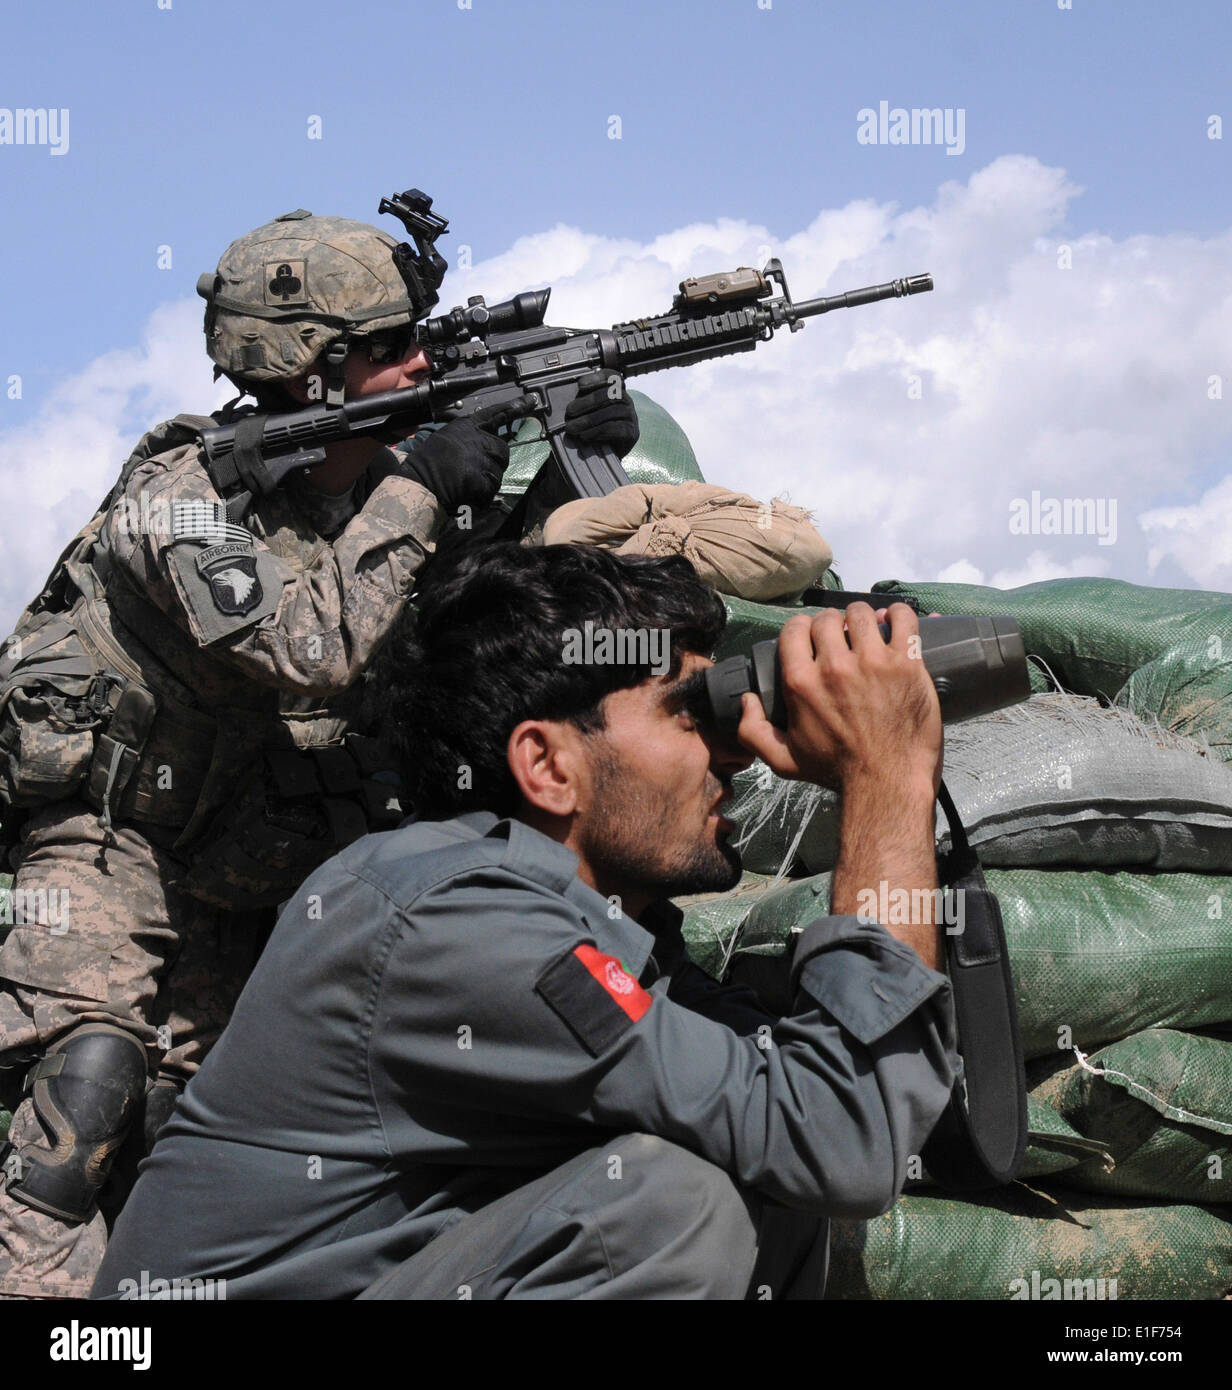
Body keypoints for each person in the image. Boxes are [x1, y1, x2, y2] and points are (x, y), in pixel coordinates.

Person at [0, 196, 639, 1299]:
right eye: (389, 350)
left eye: (417, 339)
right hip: (110, 841)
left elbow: (459, 643)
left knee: (194, 1127)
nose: (418, 362)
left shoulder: (385, 501)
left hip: (256, 860)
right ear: (307, 375)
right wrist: (421, 482)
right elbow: (312, 650)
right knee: (88, 1092)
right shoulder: (180, 502)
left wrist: (552, 463)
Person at [92, 541, 959, 1301]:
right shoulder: (458, 922)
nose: (731, 747)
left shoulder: (593, 924)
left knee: (765, 1182)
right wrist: (886, 778)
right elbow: (846, 1134)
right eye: (687, 711)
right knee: (670, 1202)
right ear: (546, 766)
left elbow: (807, 1118)